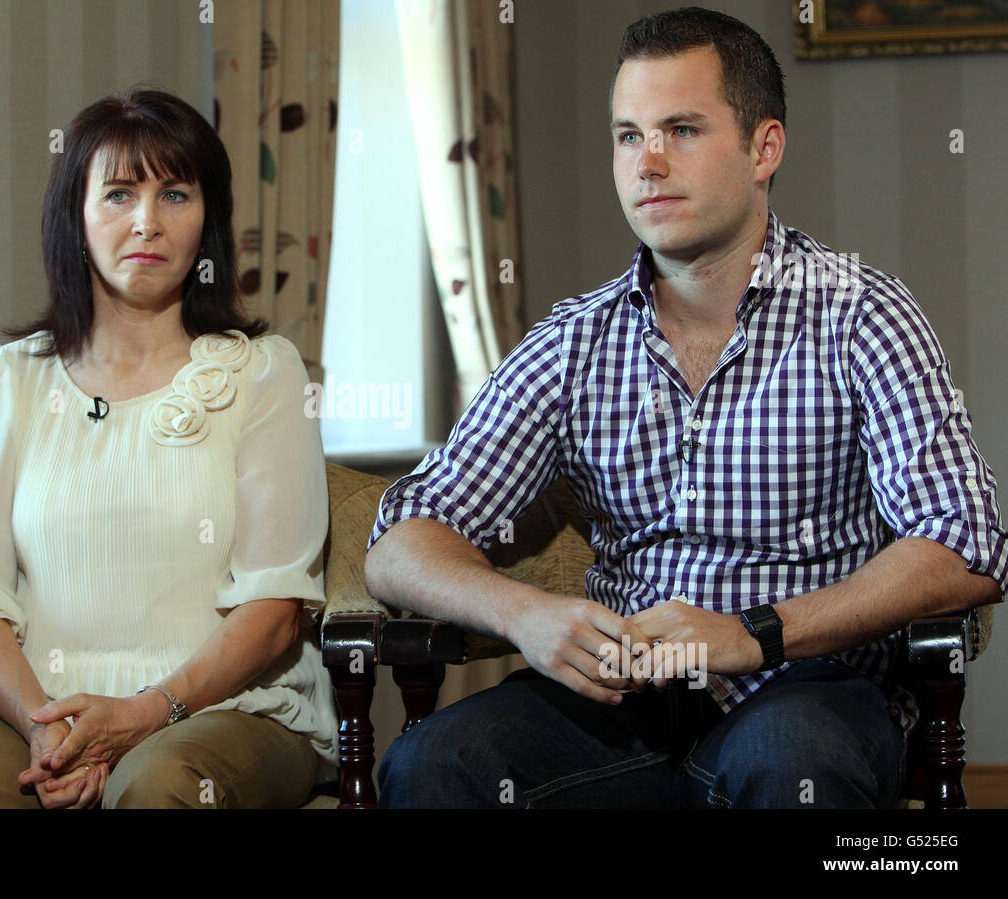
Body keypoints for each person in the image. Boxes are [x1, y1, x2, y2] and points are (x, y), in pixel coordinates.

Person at [365, 7, 1006, 809]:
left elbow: (965, 545)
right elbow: (397, 542)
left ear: (763, 148)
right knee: (434, 762)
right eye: (628, 135)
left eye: (682, 130)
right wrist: (525, 613)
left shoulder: (860, 313)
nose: (649, 162)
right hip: (620, 705)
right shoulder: (575, 341)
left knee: (790, 761)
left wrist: (753, 632)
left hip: (803, 688)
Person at [0, 88, 337, 809]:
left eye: (174, 194)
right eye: (117, 194)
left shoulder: (264, 371)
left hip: (221, 708)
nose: (147, 221)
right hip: (27, 711)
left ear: (206, 222)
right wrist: (46, 729)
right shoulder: (0, 378)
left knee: (158, 788)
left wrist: (143, 713)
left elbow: (274, 608)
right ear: (76, 220)